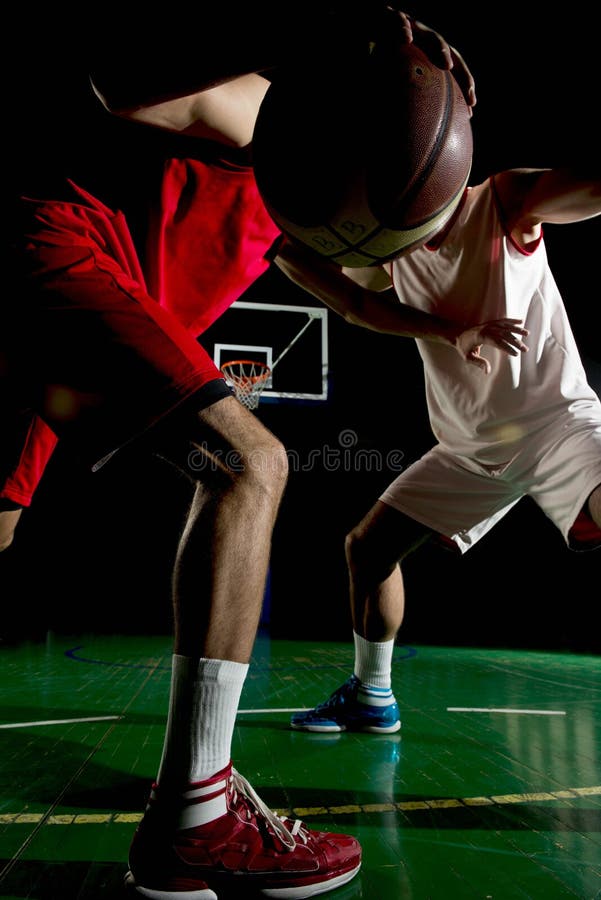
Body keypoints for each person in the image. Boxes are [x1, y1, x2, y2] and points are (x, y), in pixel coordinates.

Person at [2, 6, 527, 898]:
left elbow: (361, 306)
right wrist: (317, 38)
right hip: (58, 251)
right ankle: (197, 815)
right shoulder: (274, 113)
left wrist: (447, 320)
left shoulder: (304, 212)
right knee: (249, 460)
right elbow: (117, 85)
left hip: (68, 312)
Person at [272, 167, 601, 735]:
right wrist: (275, 230)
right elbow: (349, 297)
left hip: (557, 423)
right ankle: (372, 695)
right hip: (468, 447)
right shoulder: (389, 246)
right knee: (369, 550)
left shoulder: (503, 202)